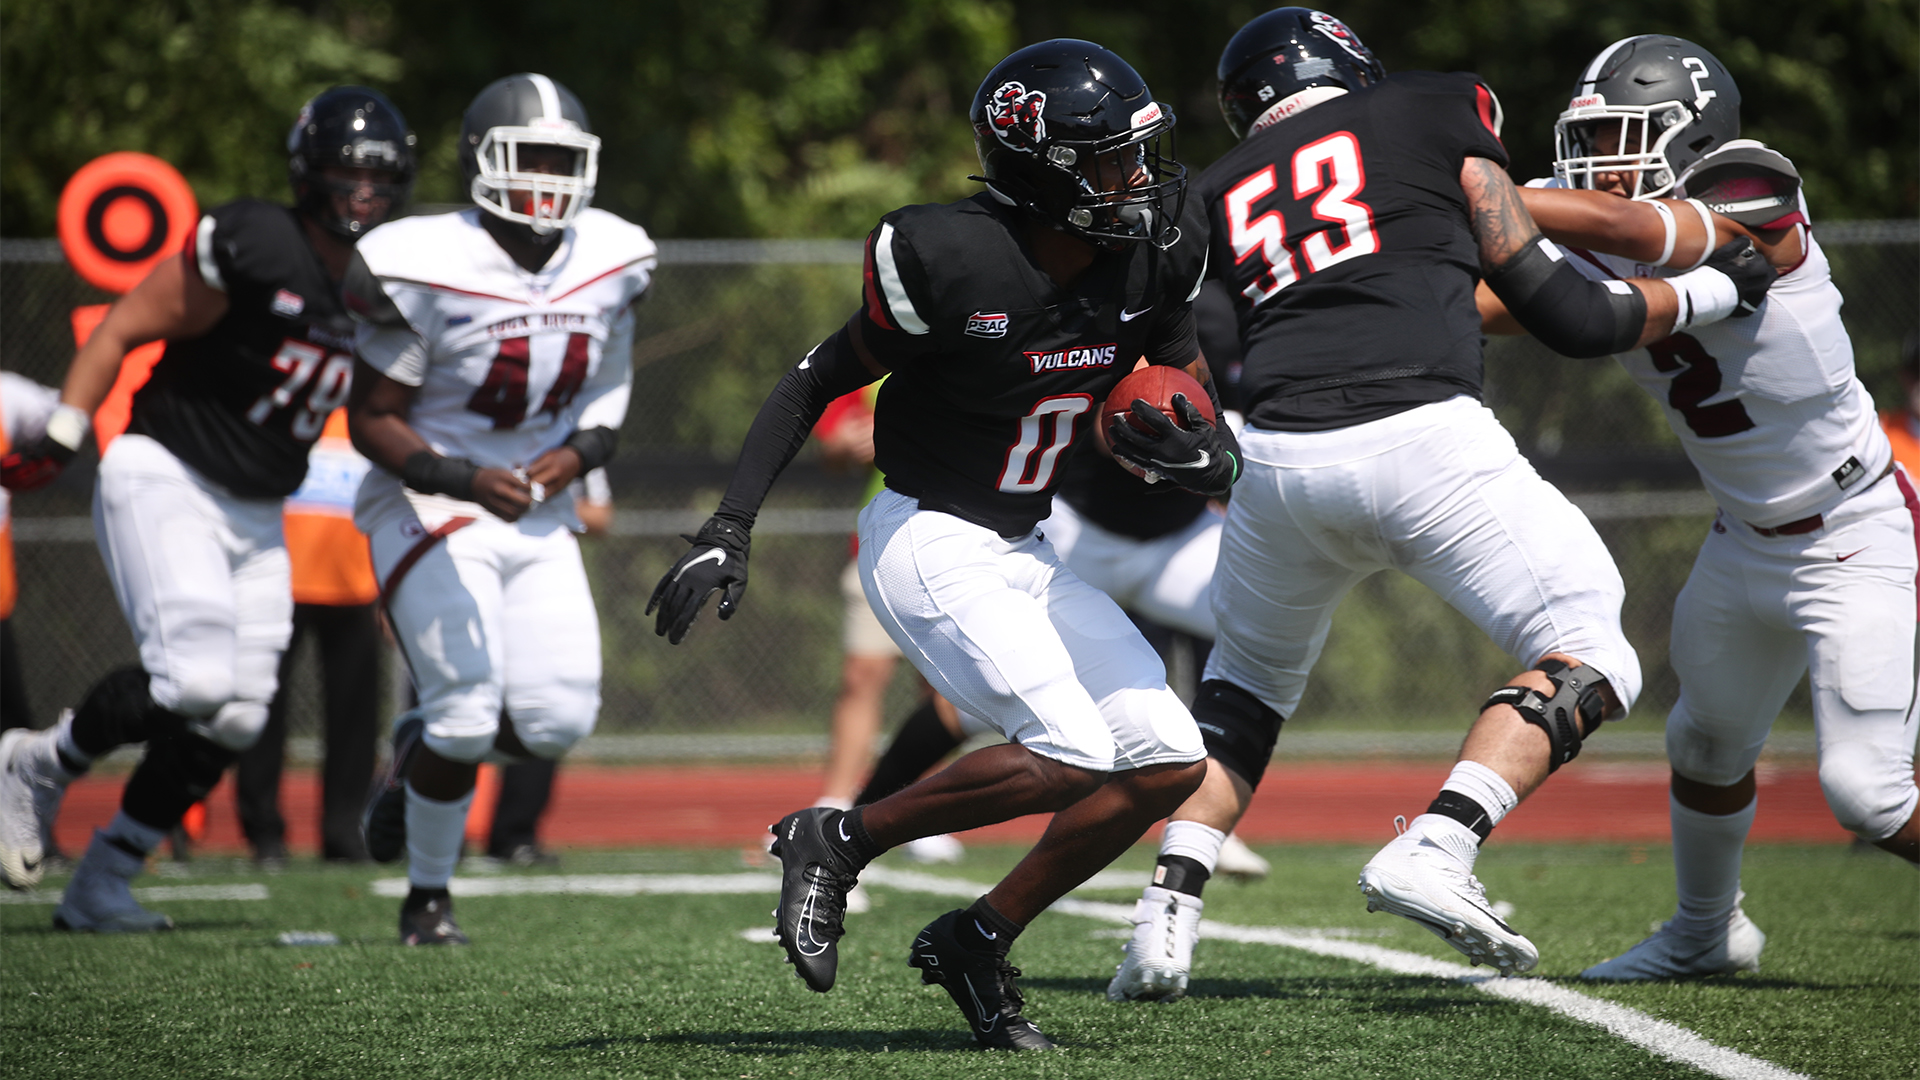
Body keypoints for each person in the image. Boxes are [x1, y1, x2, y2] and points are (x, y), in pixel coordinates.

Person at [1104, 8, 1776, 1000]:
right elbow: (1576, 316)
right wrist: (1721, 288)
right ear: (1356, 69)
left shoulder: (1214, 189)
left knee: (1241, 692)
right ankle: (1440, 842)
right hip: (1421, 434)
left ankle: (1165, 915)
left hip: (1278, 460)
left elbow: (1184, 363)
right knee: (1593, 646)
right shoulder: (1431, 107)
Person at [648, 40, 1226, 1050]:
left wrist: (1196, 448)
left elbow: (1183, 377)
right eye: (1108, 162)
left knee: (1172, 760)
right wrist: (728, 525)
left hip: (1026, 547)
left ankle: (976, 936)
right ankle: (839, 836)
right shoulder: (953, 258)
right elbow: (812, 380)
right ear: (1038, 168)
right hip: (927, 533)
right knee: (1069, 755)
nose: (1137, 180)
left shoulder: (1156, 249)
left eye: (1139, 156)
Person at [1477, 34, 1918, 979]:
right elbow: (1487, 304)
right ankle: (1707, 933)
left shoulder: (1750, 184)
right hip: (1741, 541)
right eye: (1587, 139)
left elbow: (1641, 233)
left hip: (1855, 530)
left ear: (1691, 131)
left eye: (1624, 135)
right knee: (1706, 745)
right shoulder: (1595, 234)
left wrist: (1484, 194)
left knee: (1867, 793)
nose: (1602, 160)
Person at [0, 87, 416, 917]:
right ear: (308, 171)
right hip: (170, 473)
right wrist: (70, 426)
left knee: (238, 715)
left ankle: (103, 881)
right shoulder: (259, 241)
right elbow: (124, 324)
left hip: (259, 509)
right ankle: (37, 762)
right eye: (343, 168)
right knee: (192, 681)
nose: (360, 189)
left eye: (377, 173)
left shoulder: (390, 287)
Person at [345, 73, 653, 946]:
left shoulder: (615, 255)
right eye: (530, 159)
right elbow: (369, 420)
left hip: (535, 507)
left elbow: (612, 380)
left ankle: (418, 756)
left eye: (565, 161)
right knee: (468, 712)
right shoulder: (420, 261)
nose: (548, 182)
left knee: (554, 723)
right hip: (428, 500)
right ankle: (427, 899)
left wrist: (585, 452)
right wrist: (460, 476)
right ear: (482, 162)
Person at [234, 407, 381, 865]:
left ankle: (343, 832)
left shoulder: (371, 421)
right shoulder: (285, 413)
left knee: (356, 723)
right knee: (262, 711)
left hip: (356, 587)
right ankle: (265, 835)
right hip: (279, 582)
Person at [482, 467, 612, 869]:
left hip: (539, 573)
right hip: (470, 564)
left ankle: (515, 834)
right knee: (457, 701)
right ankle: (426, 832)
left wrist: (539, 501)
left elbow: (601, 516)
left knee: (553, 705)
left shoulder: (572, 438)